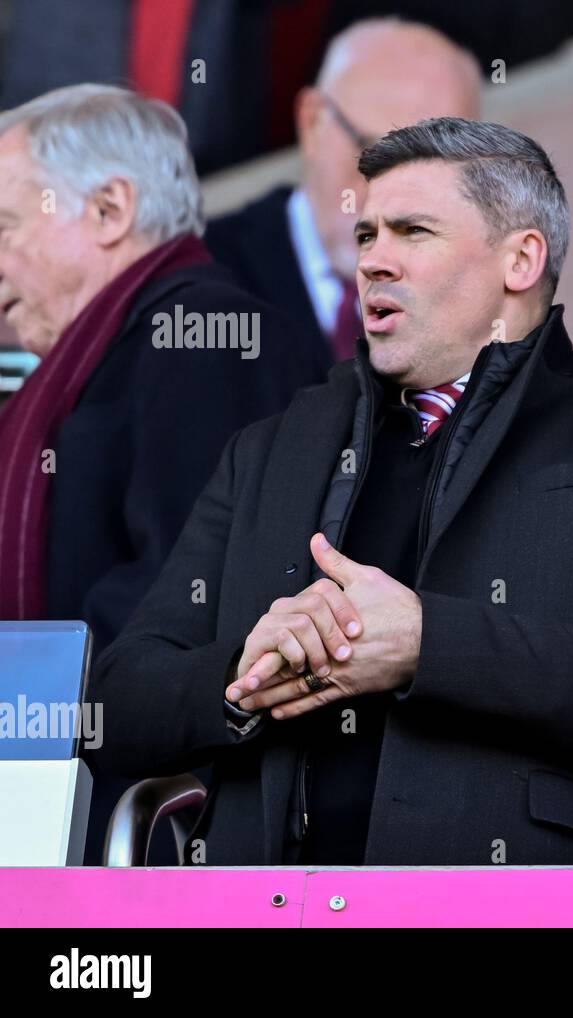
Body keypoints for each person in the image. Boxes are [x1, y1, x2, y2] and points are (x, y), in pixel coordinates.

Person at [89, 117, 573, 866]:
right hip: (257, 905)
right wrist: (247, 670)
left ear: (520, 259)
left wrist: (428, 646)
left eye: (412, 232)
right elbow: (119, 704)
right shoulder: (267, 450)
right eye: (365, 236)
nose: (373, 262)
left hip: (511, 914)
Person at [0, 84, 329, 861]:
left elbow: (179, 598)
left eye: (7, 226)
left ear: (110, 211)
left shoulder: (206, 341)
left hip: (142, 817)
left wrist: (27, 700)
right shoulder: (109, 353)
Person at [204, 17, 481, 362]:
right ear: (312, 122)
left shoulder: (478, 301)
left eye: (431, 166)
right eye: (371, 150)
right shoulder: (197, 284)